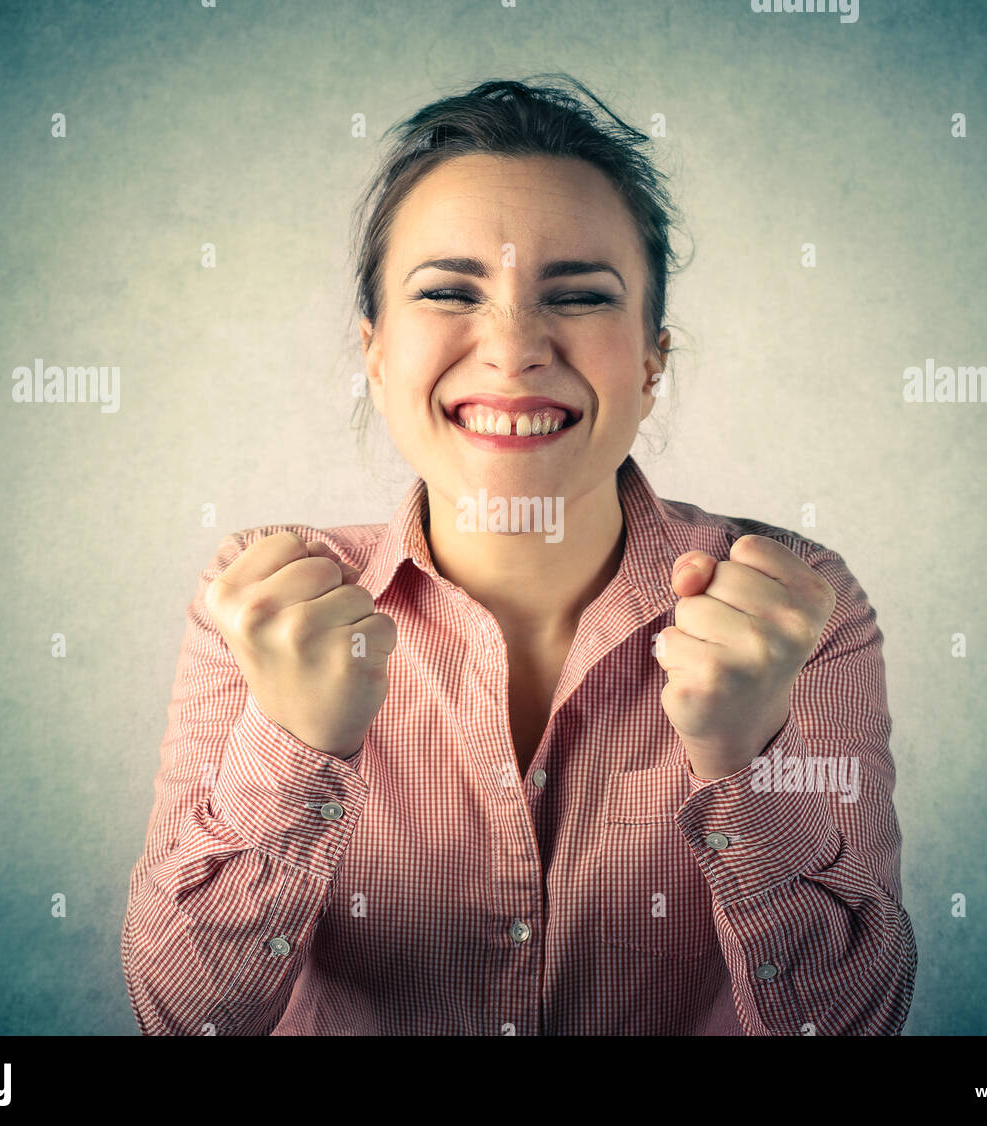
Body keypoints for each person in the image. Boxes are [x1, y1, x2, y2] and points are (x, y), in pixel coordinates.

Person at [121, 74, 916, 1036]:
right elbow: (181, 1017)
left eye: (578, 296)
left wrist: (744, 766)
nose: (512, 349)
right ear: (374, 353)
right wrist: (295, 749)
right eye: (450, 291)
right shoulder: (260, 603)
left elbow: (853, 1025)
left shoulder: (797, 608)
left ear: (652, 361)